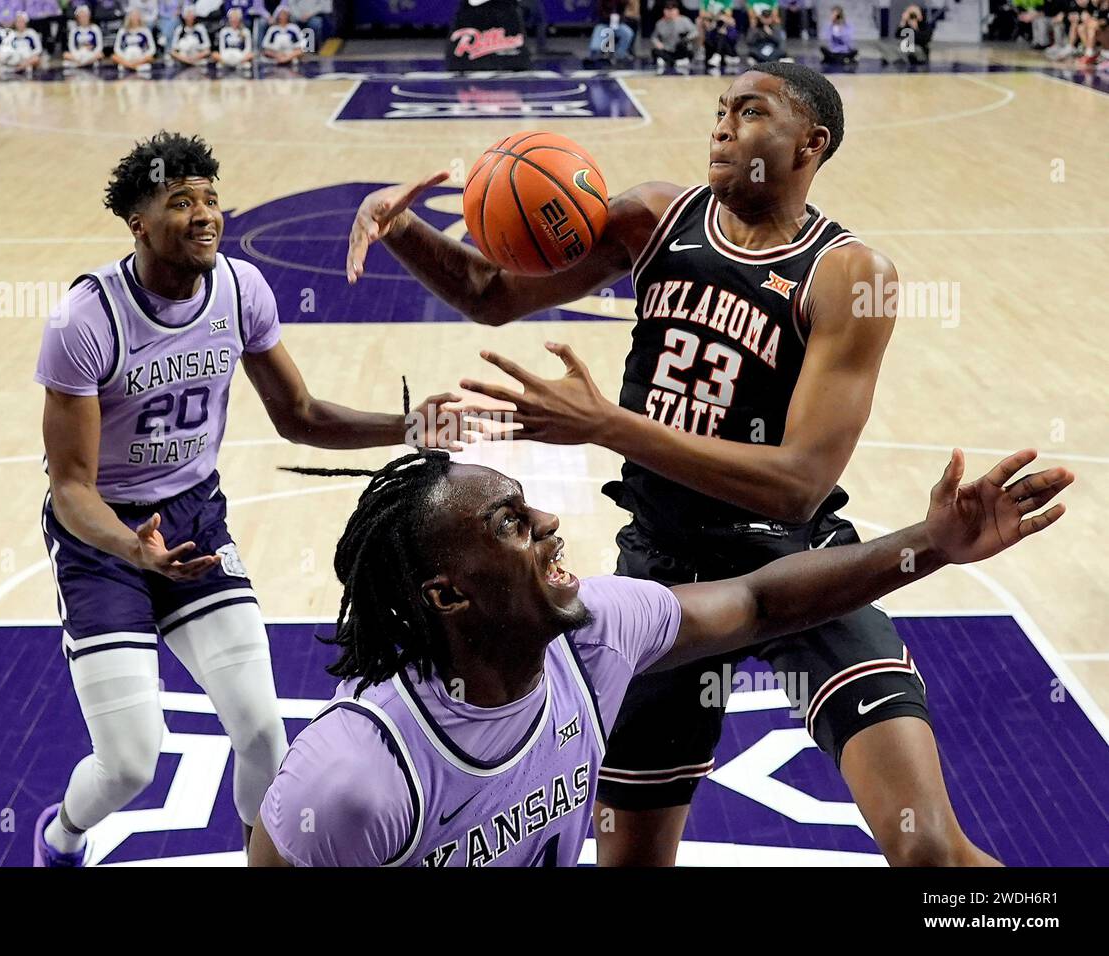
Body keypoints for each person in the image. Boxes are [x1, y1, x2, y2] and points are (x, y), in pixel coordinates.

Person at [346, 63, 1019, 868]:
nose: (723, 126)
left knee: (932, 854)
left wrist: (609, 425)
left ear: (811, 143)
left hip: (798, 562)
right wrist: (399, 227)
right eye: (720, 110)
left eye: (750, 111)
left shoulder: (847, 275)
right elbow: (493, 293)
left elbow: (800, 481)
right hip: (663, 575)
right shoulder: (655, 218)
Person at [248, 449, 1070, 866]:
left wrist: (931, 544)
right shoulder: (357, 778)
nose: (548, 520)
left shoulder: (596, 633)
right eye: (508, 522)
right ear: (447, 595)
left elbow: (761, 602)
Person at [30, 132, 470, 867]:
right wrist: (131, 547)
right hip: (102, 544)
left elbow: (300, 416)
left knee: (265, 733)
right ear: (138, 223)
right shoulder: (86, 321)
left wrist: (410, 425)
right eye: (181, 203)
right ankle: (63, 837)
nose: (204, 215)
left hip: (195, 516)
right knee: (132, 763)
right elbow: (70, 487)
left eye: (210, 199)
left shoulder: (240, 290)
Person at [587, 0, 638, 65]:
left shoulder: (621, 2)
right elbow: (598, 12)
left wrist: (619, 18)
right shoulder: (601, 2)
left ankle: (619, 55)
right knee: (595, 47)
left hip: (617, 25)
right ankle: (593, 57)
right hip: (603, 24)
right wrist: (609, 17)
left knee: (628, 33)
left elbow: (623, 12)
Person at [651, 1, 697, 72]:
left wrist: (687, 38)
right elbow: (654, 37)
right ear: (664, 11)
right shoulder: (660, 23)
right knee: (655, 51)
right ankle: (675, 62)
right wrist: (657, 43)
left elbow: (695, 32)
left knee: (685, 46)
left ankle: (669, 61)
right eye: (667, 10)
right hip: (667, 49)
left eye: (672, 10)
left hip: (680, 49)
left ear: (677, 11)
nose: (670, 12)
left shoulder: (684, 20)